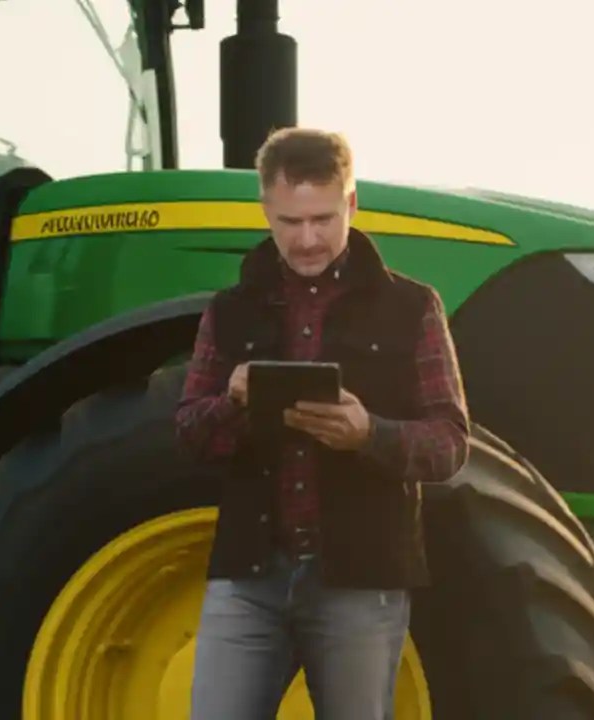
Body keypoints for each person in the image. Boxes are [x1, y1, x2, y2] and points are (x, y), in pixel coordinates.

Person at [173, 127, 471, 719]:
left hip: (361, 585)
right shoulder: (228, 311)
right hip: (249, 578)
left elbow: (450, 444)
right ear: (265, 210)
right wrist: (232, 399)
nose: (307, 239)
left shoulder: (414, 307)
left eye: (322, 219)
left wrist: (370, 434)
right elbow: (186, 433)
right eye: (290, 221)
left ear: (352, 205)